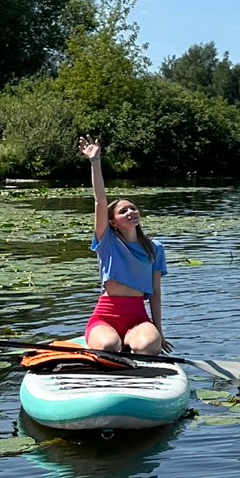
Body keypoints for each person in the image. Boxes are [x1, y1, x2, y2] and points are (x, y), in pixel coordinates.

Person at [79, 137, 167, 355]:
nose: (130, 212)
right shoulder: (107, 242)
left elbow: (155, 293)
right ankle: (114, 343)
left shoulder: (155, 248)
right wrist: (95, 162)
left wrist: (159, 331)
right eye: (123, 211)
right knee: (109, 346)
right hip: (106, 315)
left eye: (133, 208)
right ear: (112, 222)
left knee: (149, 345)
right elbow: (100, 201)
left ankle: (130, 343)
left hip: (137, 317)